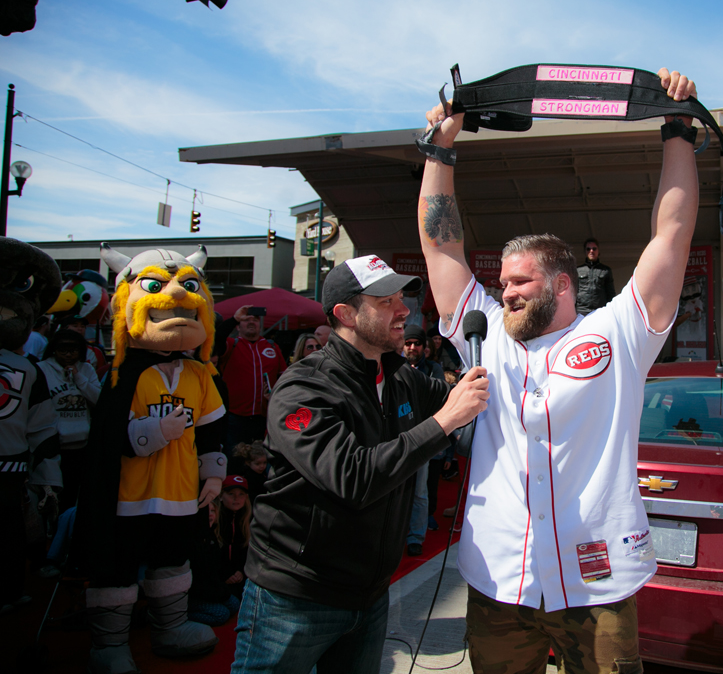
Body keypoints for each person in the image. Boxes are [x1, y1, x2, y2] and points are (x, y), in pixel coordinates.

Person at [417, 67, 699, 673]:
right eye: (501, 283)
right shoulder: (482, 333)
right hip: (500, 581)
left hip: (598, 584)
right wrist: (440, 147)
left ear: (563, 285)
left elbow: (671, 235)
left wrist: (678, 130)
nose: (505, 292)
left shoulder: (617, 333)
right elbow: (441, 247)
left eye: (520, 281)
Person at [232, 255, 489, 674]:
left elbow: (468, 404)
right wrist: (445, 421)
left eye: (402, 297)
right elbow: (353, 478)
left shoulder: (402, 378)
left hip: (370, 597)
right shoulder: (303, 387)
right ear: (345, 314)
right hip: (295, 598)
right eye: (385, 300)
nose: (403, 309)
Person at [75, 244, 227, 673]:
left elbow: (215, 428)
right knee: (117, 566)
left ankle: (171, 628)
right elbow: (107, 437)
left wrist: (213, 477)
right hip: (127, 495)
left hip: (179, 493)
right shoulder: (124, 374)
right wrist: (157, 432)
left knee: (173, 560)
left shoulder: (200, 374)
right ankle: (109, 644)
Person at [0, 237, 62, 617]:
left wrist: (47, 479)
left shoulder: (27, 369)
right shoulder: (28, 368)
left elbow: (41, 428)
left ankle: (9, 588)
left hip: (10, 469)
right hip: (11, 467)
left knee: (9, 535)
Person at [39, 328, 101, 512]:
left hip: (81, 445)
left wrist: (79, 377)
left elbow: (99, 400)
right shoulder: (42, 369)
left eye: (73, 351)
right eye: (62, 350)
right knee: (52, 496)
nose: (68, 355)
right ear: (53, 350)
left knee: (74, 496)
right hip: (53, 444)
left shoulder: (86, 369)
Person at [218, 305, 288, 454]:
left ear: (260, 324)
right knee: (235, 459)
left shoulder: (272, 346)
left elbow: (284, 377)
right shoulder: (231, 344)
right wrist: (234, 319)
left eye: (255, 320)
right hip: (235, 417)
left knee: (262, 460)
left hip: (265, 416)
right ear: (238, 326)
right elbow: (215, 341)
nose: (251, 322)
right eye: (246, 320)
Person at [402, 324, 446, 555]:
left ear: (423, 347)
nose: (412, 347)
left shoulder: (432, 370)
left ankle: (416, 537)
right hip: (396, 437)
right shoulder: (394, 368)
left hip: (422, 437)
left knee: (420, 491)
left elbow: (438, 399)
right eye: (408, 343)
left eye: (416, 343)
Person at [189, 498, 241, 627]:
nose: (210, 514)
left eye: (213, 511)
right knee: (220, 614)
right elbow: (198, 579)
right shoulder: (193, 540)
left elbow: (216, 568)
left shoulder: (212, 536)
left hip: (211, 589)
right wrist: (219, 593)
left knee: (234, 604)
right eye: (206, 511)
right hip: (193, 594)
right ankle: (179, 616)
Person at [218, 475, 251, 598]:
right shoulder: (215, 519)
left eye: (241, 494)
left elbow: (248, 551)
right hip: (219, 578)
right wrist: (225, 574)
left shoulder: (248, 520)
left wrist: (241, 571)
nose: (236, 498)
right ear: (221, 496)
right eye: (231, 494)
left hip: (240, 576)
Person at [576, 237, 616, 314]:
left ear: (598, 251)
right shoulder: (577, 270)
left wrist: (611, 311)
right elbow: (573, 293)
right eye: (588, 249)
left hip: (600, 310)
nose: (591, 251)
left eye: (594, 249)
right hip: (581, 310)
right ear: (585, 251)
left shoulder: (606, 270)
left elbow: (611, 294)